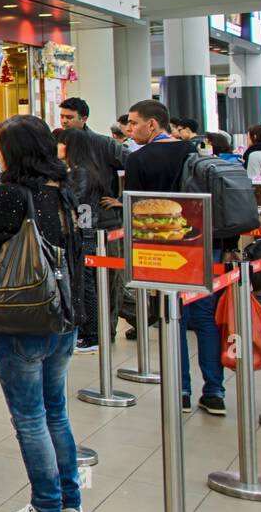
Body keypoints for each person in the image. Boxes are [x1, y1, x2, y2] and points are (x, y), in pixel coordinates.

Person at [0, 115, 84, 512]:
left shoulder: (14, 194)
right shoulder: (65, 192)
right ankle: (70, 504)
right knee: (56, 411)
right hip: (64, 317)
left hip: (23, 318)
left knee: (30, 418)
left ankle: (47, 511)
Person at [124, 100, 224, 415]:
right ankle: (215, 391)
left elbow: (137, 211)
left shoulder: (138, 159)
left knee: (172, 317)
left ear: (153, 124)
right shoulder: (193, 153)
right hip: (198, 243)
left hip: (160, 250)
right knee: (205, 317)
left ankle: (180, 389)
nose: (130, 129)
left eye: (134, 123)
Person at [61, 127, 122, 352]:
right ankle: (92, 331)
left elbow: (76, 203)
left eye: (61, 143)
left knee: (86, 283)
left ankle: (92, 333)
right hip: (89, 230)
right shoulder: (86, 170)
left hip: (86, 233)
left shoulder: (79, 172)